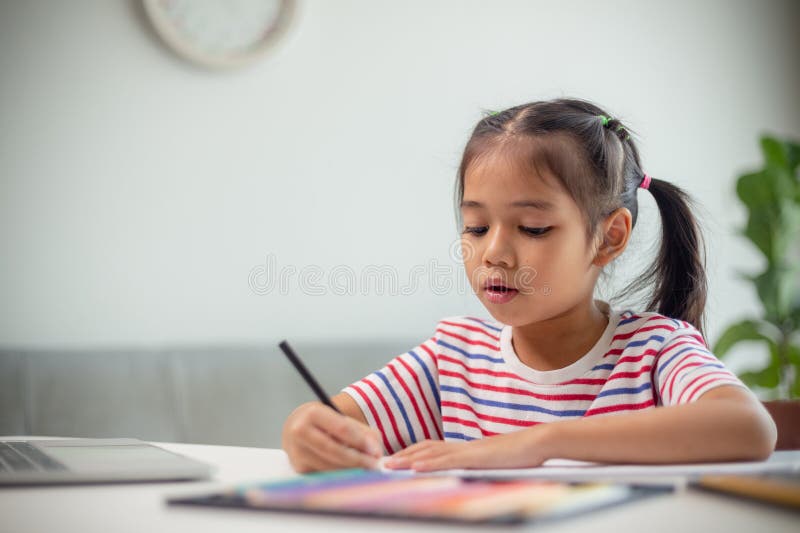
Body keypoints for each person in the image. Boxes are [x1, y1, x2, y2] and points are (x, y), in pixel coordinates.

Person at [281, 98, 777, 473]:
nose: (492, 252)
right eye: (475, 228)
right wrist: (305, 430)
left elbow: (750, 427)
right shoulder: (452, 358)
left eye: (533, 228)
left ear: (610, 237)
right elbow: (333, 422)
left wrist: (538, 443)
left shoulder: (653, 352)